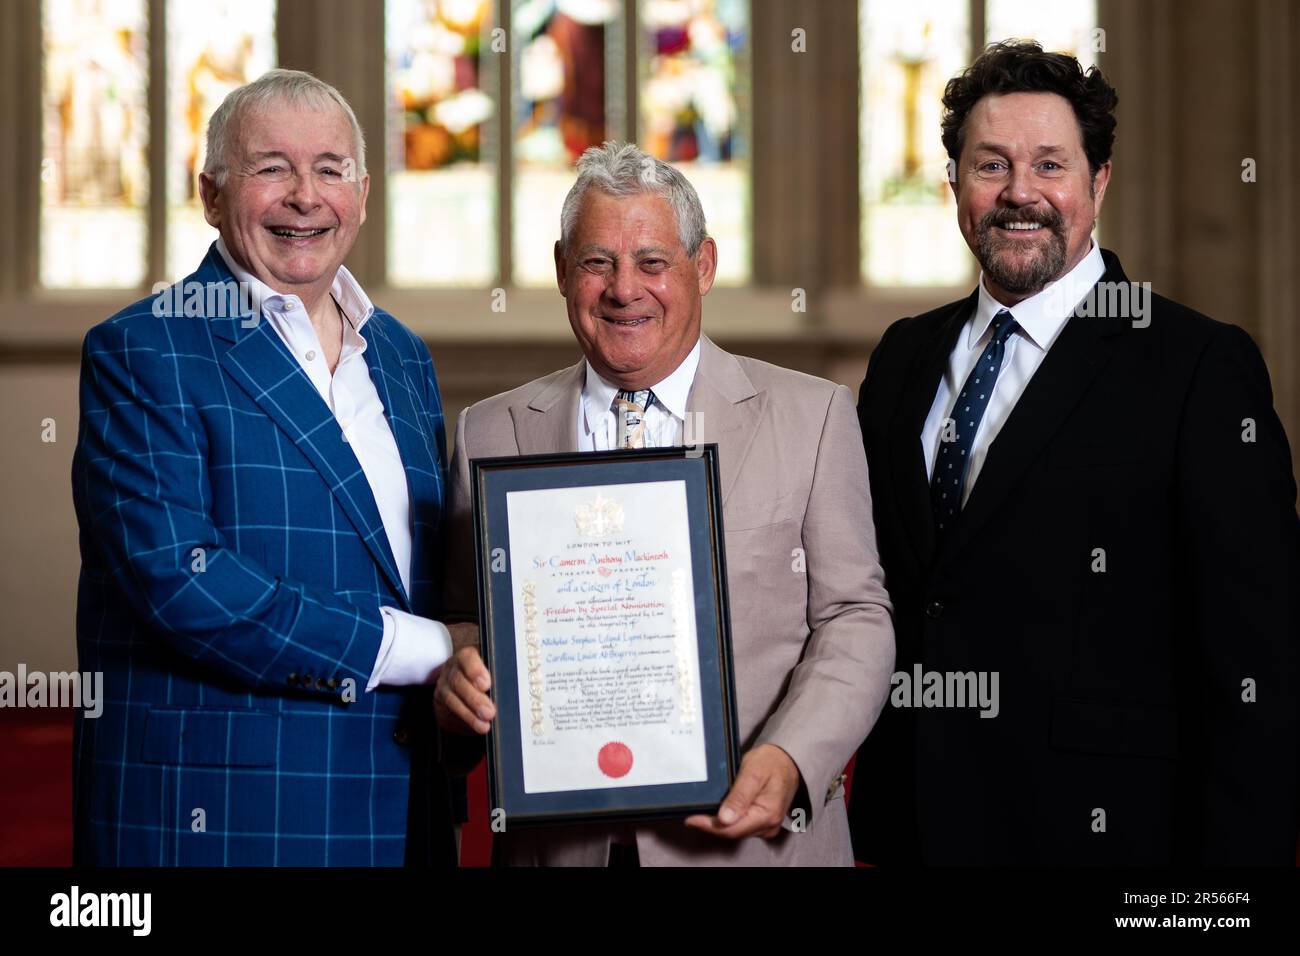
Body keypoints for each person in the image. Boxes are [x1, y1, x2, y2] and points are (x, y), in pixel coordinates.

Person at [850, 41, 1299, 865]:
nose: (1020, 194)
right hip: (909, 829)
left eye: (1050, 164)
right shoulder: (902, 358)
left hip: (1105, 840)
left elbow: (1257, 666)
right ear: (954, 185)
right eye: (991, 165)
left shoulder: (1196, 367)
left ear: (1099, 181)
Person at [435, 141, 895, 866]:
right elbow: (465, 618)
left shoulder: (812, 417)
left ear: (702, 266)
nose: (625, 289)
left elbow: (856, 617)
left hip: (750, 844)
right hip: (561, 844)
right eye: (596, 262)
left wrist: (792, 756)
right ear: (562, 271)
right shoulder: (491, 430)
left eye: (653, 263)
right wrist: (456, 670)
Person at [71, 69, 467, 866]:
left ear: (361, 191)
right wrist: (434, 649)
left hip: (404, 807)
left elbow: (429, 569)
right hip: (228, 816)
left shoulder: (399, 355)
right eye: (271, 169)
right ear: (211, 194)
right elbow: (184, 584)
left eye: (329, 169)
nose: (305, 197)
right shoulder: (146, 347)